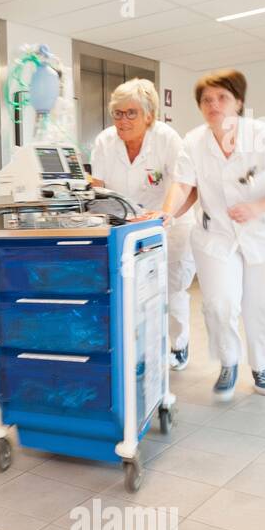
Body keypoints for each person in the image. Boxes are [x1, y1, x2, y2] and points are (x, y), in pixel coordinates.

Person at [157, 69, 265, 402]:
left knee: (260, 307)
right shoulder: (194, 142)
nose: (213, 104)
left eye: (222, 97)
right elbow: (183, 185)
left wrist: (257, 208)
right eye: (206, 99)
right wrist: (166, 214)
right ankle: (228, 361)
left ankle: (261, 365)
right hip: (216, 235)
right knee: (220, 303)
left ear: (238, 101)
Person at [88, 78, 196, 369]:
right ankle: (139, 349)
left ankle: (178, 344)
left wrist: (166, 214)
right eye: (117, 113)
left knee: (171, 288)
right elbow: (98, 186)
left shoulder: (167, 138)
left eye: (131, 113)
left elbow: (184, 183)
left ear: (149, 115)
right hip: (128, 226)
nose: (122, 120)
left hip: (172, 223)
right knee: (132, 289)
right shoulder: (104, 141)